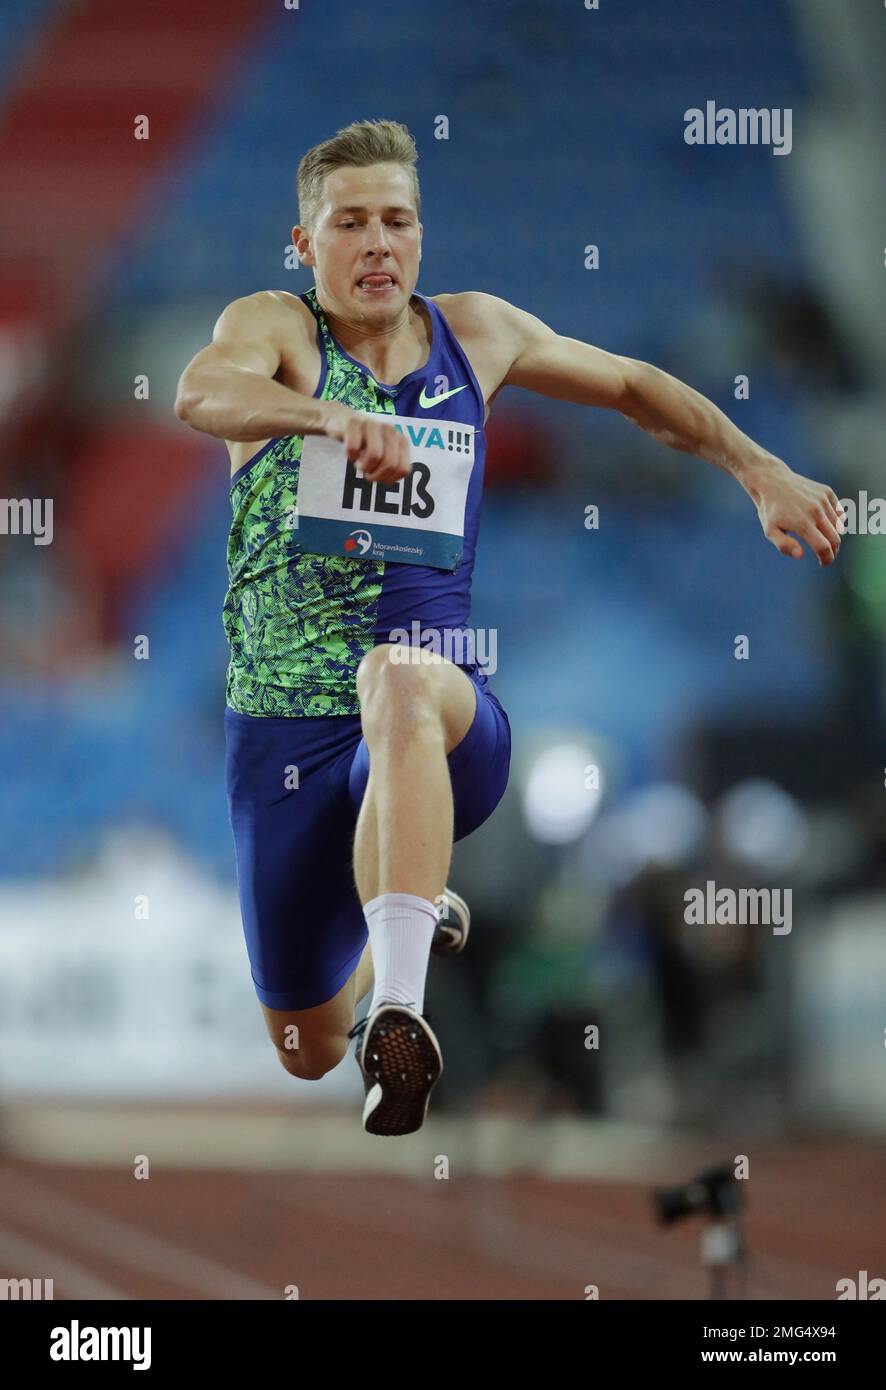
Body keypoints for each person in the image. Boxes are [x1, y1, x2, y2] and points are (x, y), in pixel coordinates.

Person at [174, 118, 844, 1137]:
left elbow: (629, 386)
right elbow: (200, 392)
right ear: (305, 246)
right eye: (349, 223)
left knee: (397, 677)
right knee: (302, 1046)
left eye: (396, 219)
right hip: (285, 743)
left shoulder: (476, 334)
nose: (377, 244)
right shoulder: (275, 330)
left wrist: (759, 467)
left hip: (441, 714)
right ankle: (403, 908)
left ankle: (399, 1010)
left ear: (421, 235)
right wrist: (323, 418)